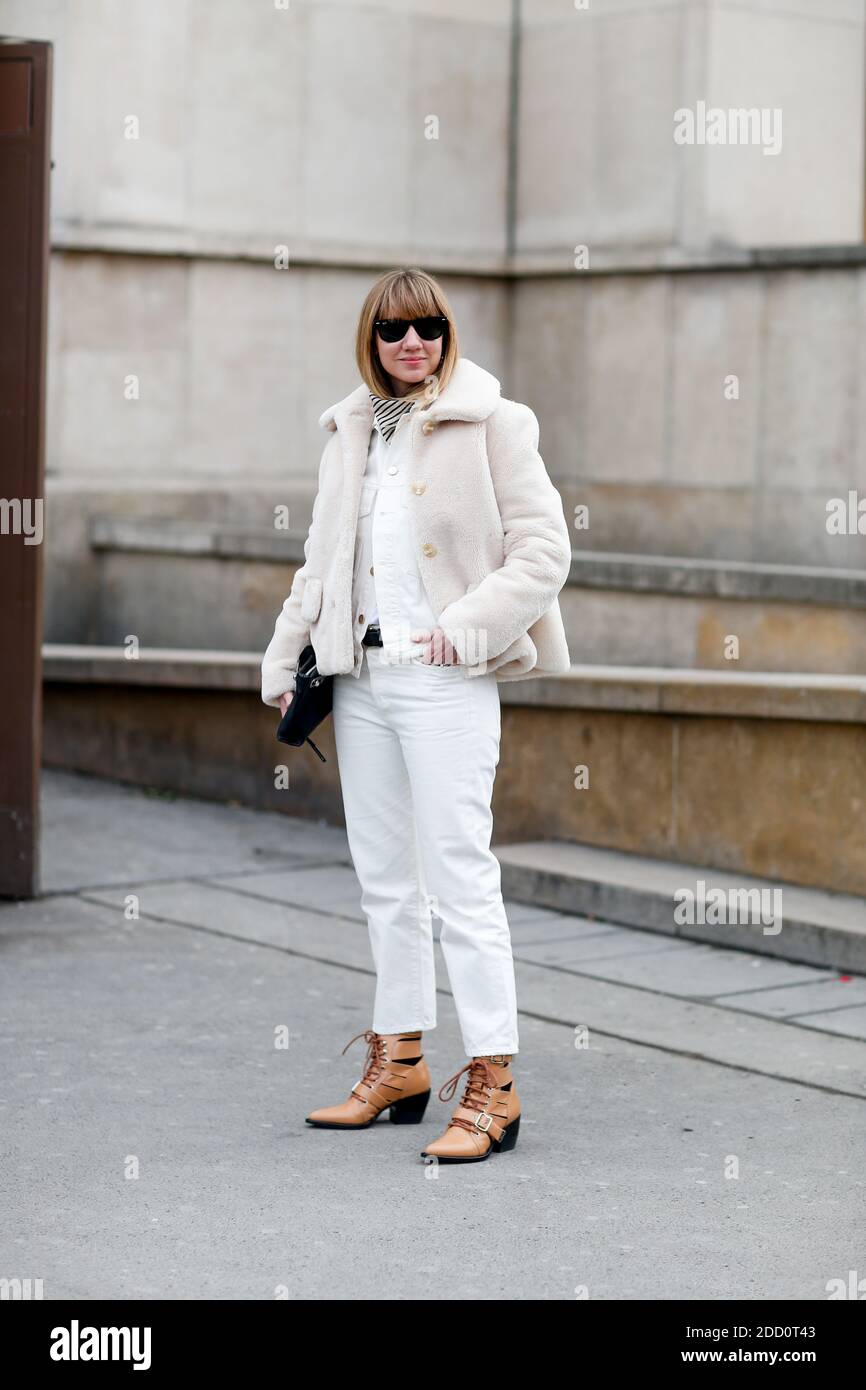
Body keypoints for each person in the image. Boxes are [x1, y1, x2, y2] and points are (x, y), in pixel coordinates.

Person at [261, 267, 572, 1163]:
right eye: (396, 329)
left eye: (429, 327)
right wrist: (289, 657)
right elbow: (321, 561)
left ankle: (493, 1086)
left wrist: (465, 628)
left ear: (446, 333)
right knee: (386, 882)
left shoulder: (496, 423)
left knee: (462, 881)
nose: (414, 343)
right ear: (372, 338)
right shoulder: (350, 431)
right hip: (360, 681)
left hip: (445, 682)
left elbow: (544, 551)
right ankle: (399, 1061)